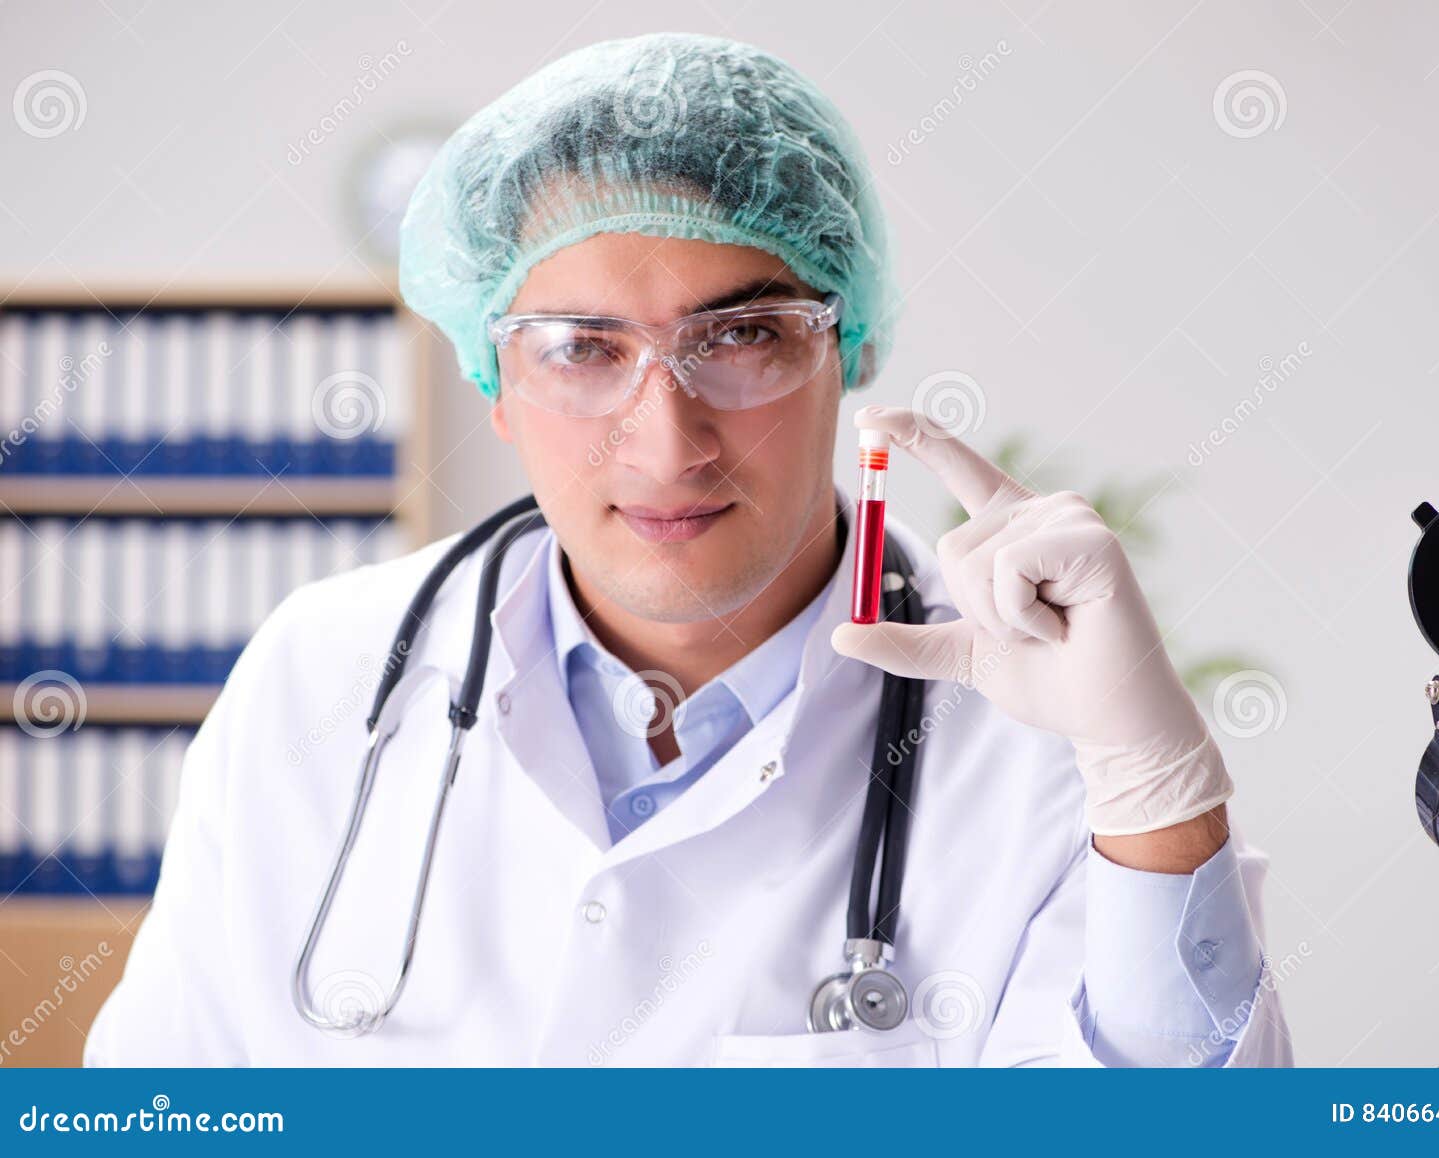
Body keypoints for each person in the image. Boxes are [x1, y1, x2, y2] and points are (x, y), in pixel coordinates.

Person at [85, 32, 1291, 1066]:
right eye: (582, 346)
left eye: (745, 335)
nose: (666, 444)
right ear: (491, 377)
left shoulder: (1044, 745)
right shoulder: (323, 677)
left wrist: (1156, 806)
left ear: (847, 350)